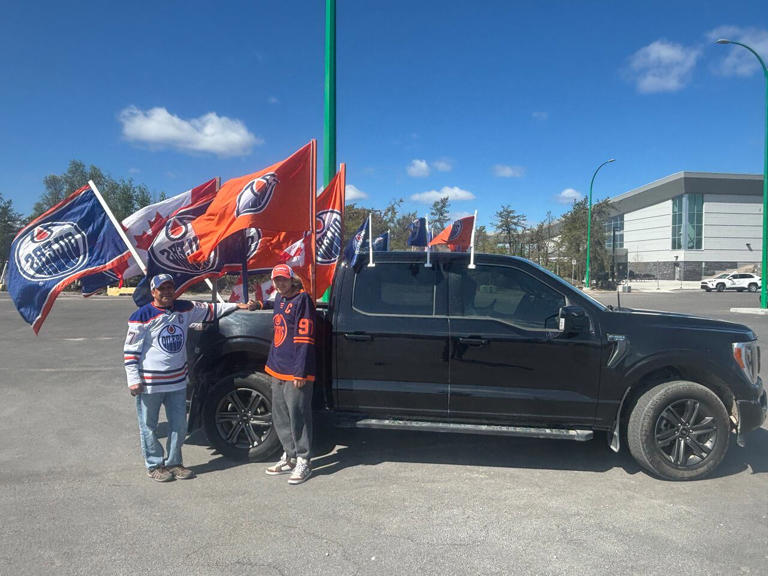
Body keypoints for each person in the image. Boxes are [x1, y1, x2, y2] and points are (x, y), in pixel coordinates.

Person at [124, 273, 258, 482]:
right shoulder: (141, 316)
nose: (167, 292)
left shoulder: (184, 308)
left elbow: (212, 309)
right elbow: (131, 351)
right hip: (150, 384)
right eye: (162, 289)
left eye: (170, 288)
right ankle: (154, 465)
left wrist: (238, 305)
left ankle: (174, 462)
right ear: (153, 292)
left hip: (177, 381)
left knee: (178, 425)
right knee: (148, 426)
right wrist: (133, 380)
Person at [263, 264, 316, 485]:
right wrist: (256, 303)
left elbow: (305, 338)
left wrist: (301, 371)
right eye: (276, 280)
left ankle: (304, 458)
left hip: (297, 370)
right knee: (281, 414)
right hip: (277, 367)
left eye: (283, 280)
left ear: (292, 280)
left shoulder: (303, 301)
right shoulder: (279, 299)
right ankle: (290, 455)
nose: (280, 284)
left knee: (298, 414)